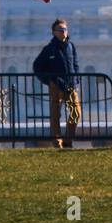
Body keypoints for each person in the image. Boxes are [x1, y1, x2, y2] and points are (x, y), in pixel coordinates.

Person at [32, 18, 81, 148]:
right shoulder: (49, 49)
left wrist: (76, 80)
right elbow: (37, 67)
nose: (63, 32)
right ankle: (57, 141)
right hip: (56, 86)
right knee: (55, 116)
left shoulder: (71, 46)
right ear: (54, 32)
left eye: (65, 29)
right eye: (60, 30)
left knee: (75, 113)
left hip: (71, 85)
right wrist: (49, 81)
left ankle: (68, 140)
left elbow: (75, 64)